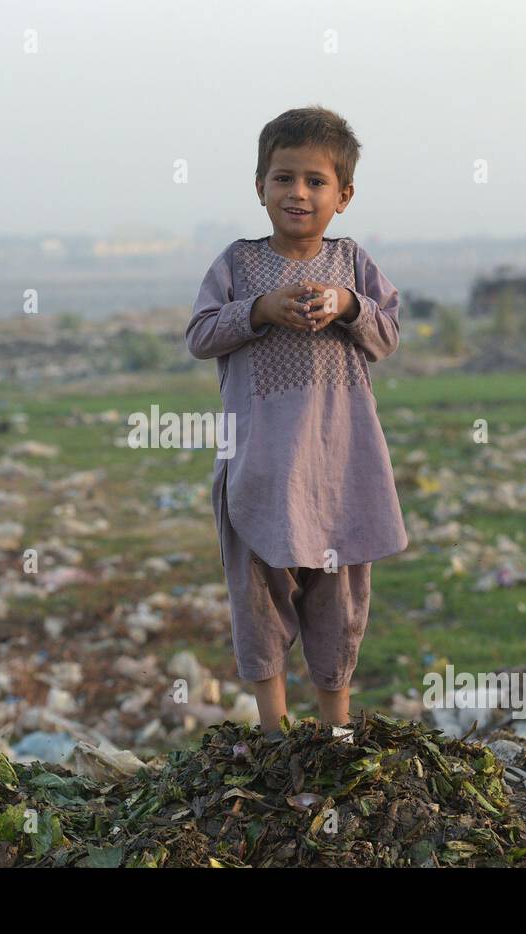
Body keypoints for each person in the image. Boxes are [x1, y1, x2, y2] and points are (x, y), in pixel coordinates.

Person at [185, 105, 407, 737]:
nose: (298, 193)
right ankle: (275, 735)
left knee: (337, 600)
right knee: (259, 595)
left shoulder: (352, 262)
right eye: (283, 179)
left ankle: (336, 733)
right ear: (260, 187)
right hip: (261, 466)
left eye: (315, 181)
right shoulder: (237, 264)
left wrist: (346, 304)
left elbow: (387, 331)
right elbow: (200, 334)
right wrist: (259, 311)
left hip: (339, 469)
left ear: (345, 194)